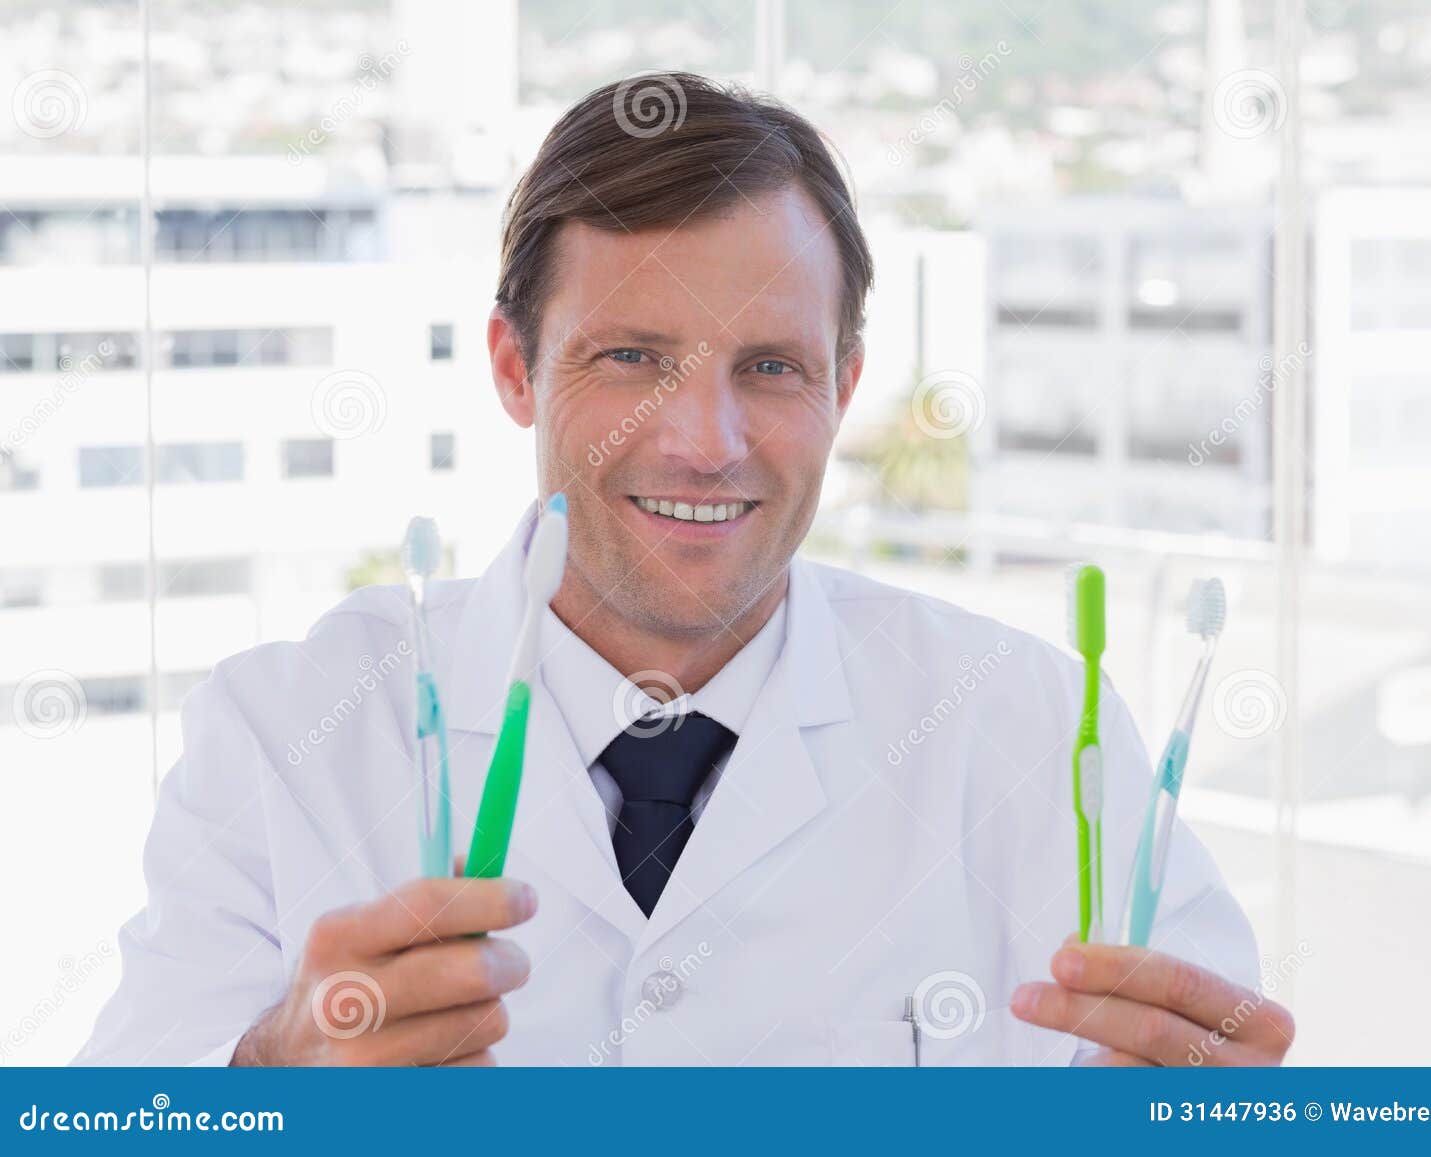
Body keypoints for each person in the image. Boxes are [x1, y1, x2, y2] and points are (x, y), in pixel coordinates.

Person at [76, 72, 1291, 1067]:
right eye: (632, 357)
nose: (703, 443)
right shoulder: (282, 729)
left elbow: (1209, 1058)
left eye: (769, 367)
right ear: (513, 366)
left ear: (845, 385)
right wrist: (275, 1078)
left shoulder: (1033, 733)